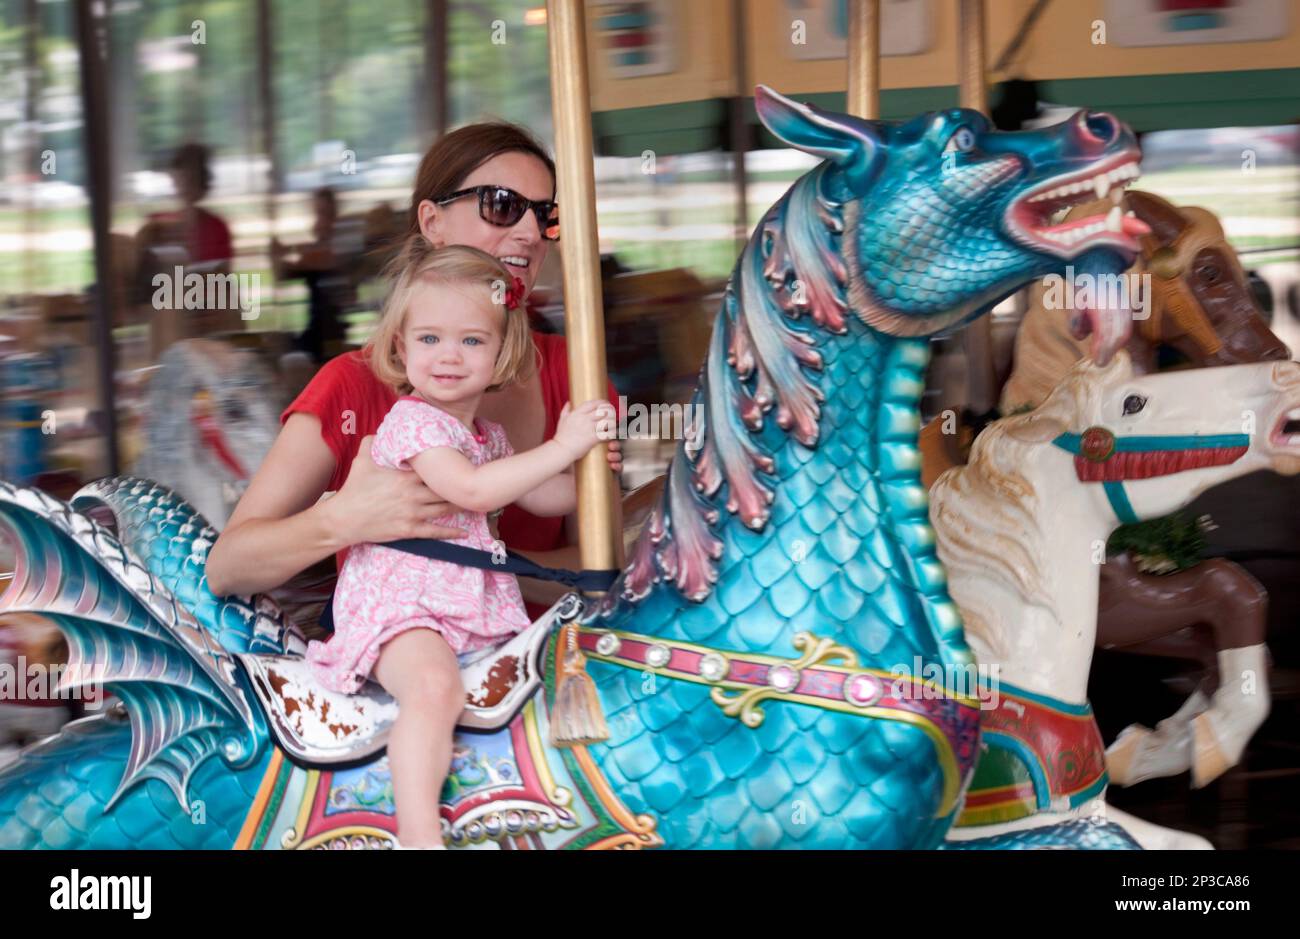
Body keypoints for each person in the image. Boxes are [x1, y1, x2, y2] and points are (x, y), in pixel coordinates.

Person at [205, 122, 623, 621]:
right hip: (409, 656)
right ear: (433, 221)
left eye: (544, 215)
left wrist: (474, 570)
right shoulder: (351, 384)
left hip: (542, 667)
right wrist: (344, 519)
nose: (531, 233)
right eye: (501, 204)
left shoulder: (574, 373)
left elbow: (603, 567)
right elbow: (228, 566)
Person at [306, 243, 611, 848]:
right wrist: (563, 446)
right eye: (429, 340)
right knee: (434, 688)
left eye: (472, 341)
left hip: (462, 612)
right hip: (401, 612)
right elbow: (472, 490)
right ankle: (419, 832)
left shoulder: (484, 434)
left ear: (503, 353)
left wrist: (590, 471)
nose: (449, 356)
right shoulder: (413, 424)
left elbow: (542, 496)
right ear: (401, 348)